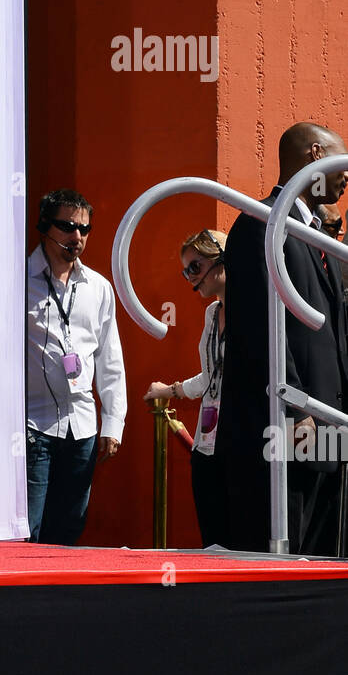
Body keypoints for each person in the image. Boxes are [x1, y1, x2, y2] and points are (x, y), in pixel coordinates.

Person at [219, 122, 348, 554]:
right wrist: (295, 413)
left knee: (322, 566)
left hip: (328, 433)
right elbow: (258, 328)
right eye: (338, 160)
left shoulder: (314, 234)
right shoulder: (262, 224)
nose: (346, 175)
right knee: (278, 563)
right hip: (285, 435)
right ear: (315, 156)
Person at [25, 189, 126, 544]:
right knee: (29, 531)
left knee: (68, 532)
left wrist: (113, 423)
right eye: (67, 226)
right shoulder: (17, 282)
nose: (77, 237)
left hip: (81, 427)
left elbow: (110, 359)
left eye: (84, 229)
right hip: (31, 425)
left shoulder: (98, 287)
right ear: (44, 226)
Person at [145, 230, 229, 546]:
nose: (190, 278)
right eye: (185, 270)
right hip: (206, 445)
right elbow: (210, 377)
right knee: (213, 540)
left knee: (241, 543)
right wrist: (170, 390)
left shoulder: (255, 311)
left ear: (220, 257)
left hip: (240, 446)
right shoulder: (211, 313)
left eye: (195, 266)